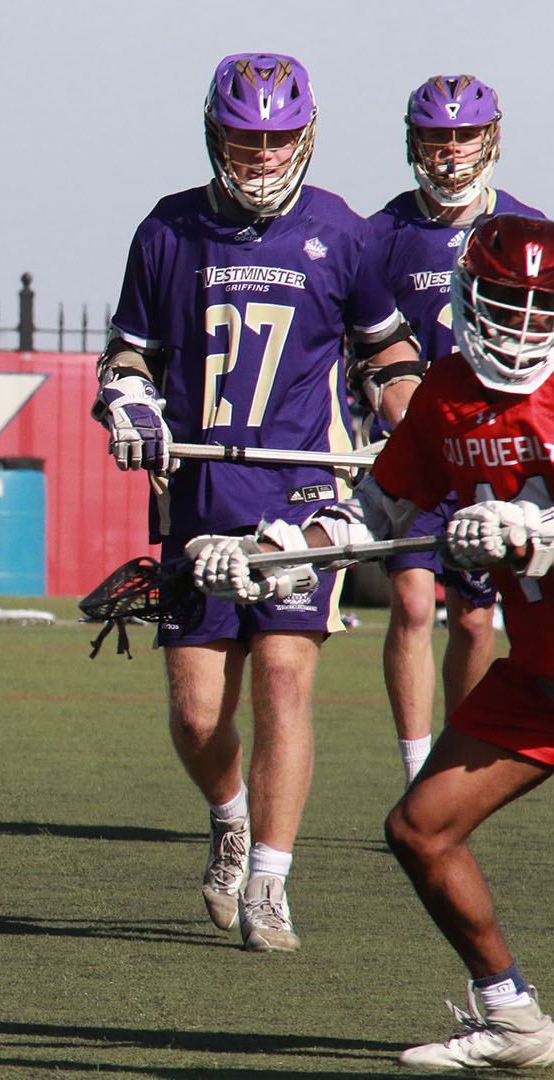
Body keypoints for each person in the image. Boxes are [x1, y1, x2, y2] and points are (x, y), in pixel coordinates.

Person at [190, 213, 554, 1068]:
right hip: (540, 671)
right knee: (422, 830)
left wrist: (528, 529)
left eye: (541, 307)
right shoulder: (447, 391)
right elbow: (375, 515)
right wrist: (274, 552)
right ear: (466, 297)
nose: (523, 325)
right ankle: (515, 1022)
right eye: (507, 302)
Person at [93, 54, 421, 952]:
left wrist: (413, 422)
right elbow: (127, 353)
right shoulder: (168, 229)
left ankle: (271, 880)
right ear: (216, 135)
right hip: (199, 494)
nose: (265, 155)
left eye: (278, 139)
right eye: (247, 138)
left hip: (302, 494)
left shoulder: (342, 231)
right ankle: (230, 819)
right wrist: (129, 400)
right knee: (198, 714)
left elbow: (386, 352)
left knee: (284, 676)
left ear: (305, 136)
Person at [361, 75, 538, 788]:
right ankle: (415, 769)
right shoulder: (379, 235)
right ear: (414, 141)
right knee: (410, 601)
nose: (451, 149)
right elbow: (359, 340)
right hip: (414, 446)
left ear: (491, 138)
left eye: (464, 135)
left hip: (488, 452)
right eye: (437, 136)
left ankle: (454, 766)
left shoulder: (526, 230)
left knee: (470, 619)